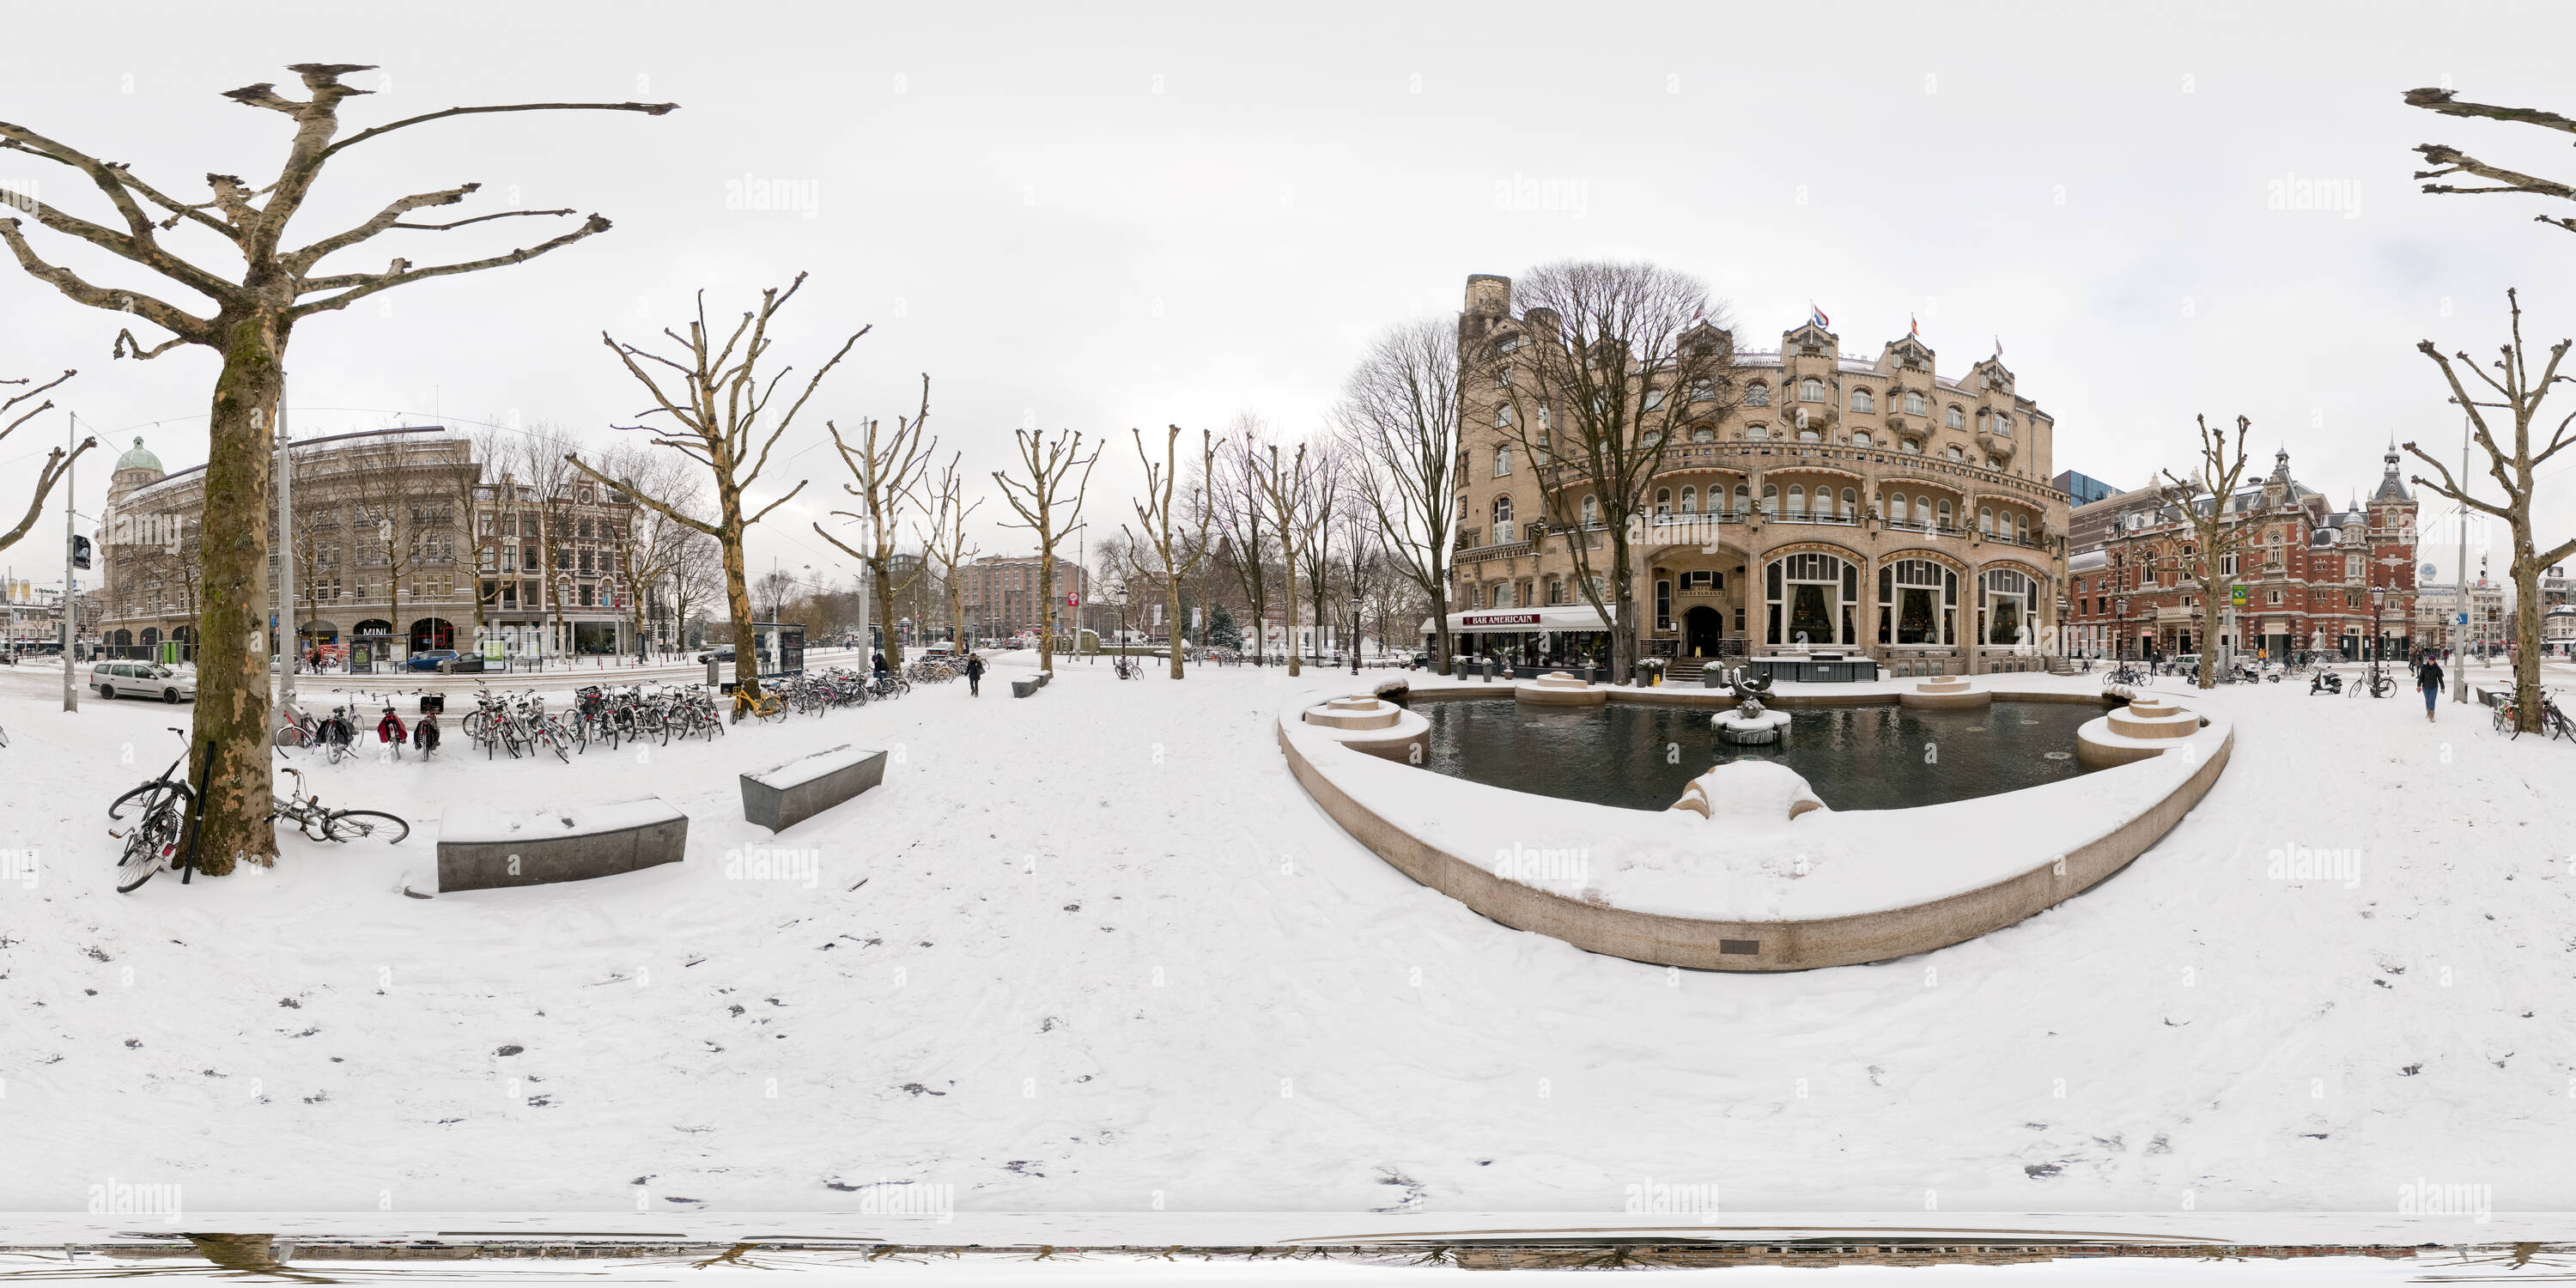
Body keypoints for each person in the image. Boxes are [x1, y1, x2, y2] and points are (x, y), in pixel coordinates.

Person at [2416, 653, 2444, 722]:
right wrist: (2418, 686)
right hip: (2425, 687)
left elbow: (2440, 679)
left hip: (2434, 687)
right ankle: (2428, 712)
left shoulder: (2436, 668)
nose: (2430, 662)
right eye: (2429, 660)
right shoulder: (2424, 667)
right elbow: (2421, 678)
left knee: (2432, 700)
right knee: (2427, 700)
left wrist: (2442, 687)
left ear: (2434, 661)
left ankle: (2432, 715)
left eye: (2432, 660)